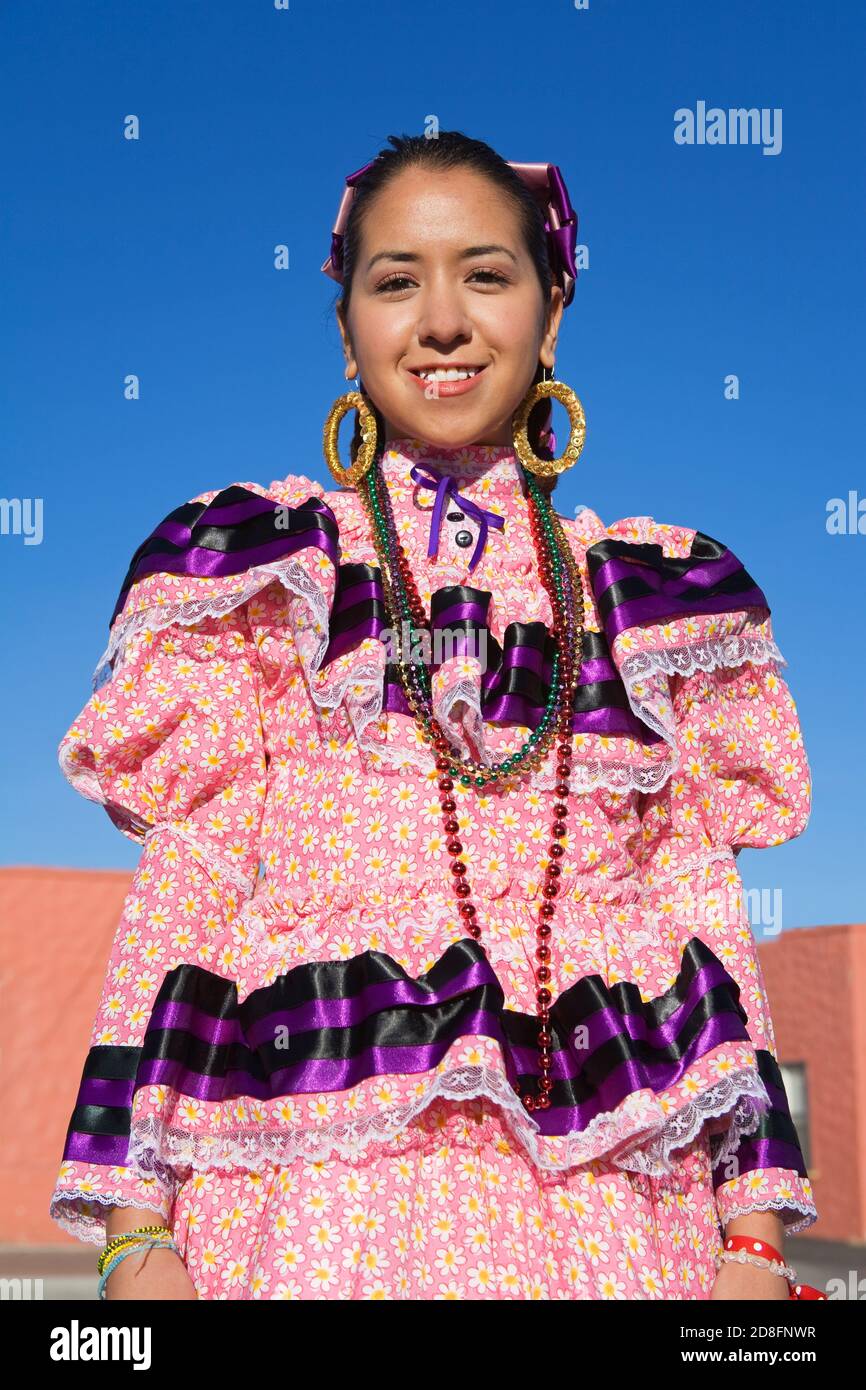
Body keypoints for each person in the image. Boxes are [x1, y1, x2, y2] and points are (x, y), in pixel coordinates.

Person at [49, 130, 818, 1301]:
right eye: (396, 279)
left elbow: (695, 900)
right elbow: (188, 890)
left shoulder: (649, 602)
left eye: (487, 274)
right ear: (349, 326)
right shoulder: (270, 574)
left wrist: (755, 1235)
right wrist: (130, 1228)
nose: (443, 320)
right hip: (311, 1199)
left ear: (549, 314)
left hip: (609, 1208)